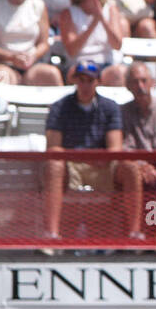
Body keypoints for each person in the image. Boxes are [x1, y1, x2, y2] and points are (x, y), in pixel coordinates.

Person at [43, 59, 142, 245]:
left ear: (98, 82)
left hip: (106, 166)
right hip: (71, 166)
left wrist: (99, 158)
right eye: (81, 80)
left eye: (90, 80)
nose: (85, 85)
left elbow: (115, 148)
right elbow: (54, 148)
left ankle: (137, 233)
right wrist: (84, 157)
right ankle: (51, 235)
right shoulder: (59, 107)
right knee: (53, 166)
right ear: (75, 81)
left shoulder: (110, 107)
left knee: (133, 171)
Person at [120, 59, 156, 239]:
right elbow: (124, 147)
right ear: (127, 86)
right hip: (139, 168)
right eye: (135, 82)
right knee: (150, 183)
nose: (140, 86)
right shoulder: (123, 113)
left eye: (144, 81)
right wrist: (143, 164)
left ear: (153, 83)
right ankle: (153, 231)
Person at [59, 0, 127, 85]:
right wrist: (94, 22)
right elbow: (72, 51)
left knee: (118, 73)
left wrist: (101, 18)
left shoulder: (111, 10)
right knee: (78, 77)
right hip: (79, 66)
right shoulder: (67, 14)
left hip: (106, 65)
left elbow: (117, 45)